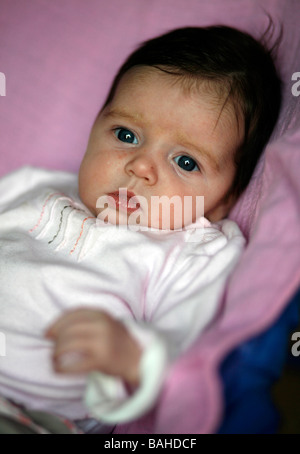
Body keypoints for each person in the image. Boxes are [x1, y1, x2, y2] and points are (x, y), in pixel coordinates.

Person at [0, 25, 281, 433]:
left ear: (224, 201)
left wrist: (132, 355)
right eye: (126, 135)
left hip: (28, 411)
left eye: (185, 162)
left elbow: (183, 346)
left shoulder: (191, 252)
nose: (141, 166)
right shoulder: (36, 187)